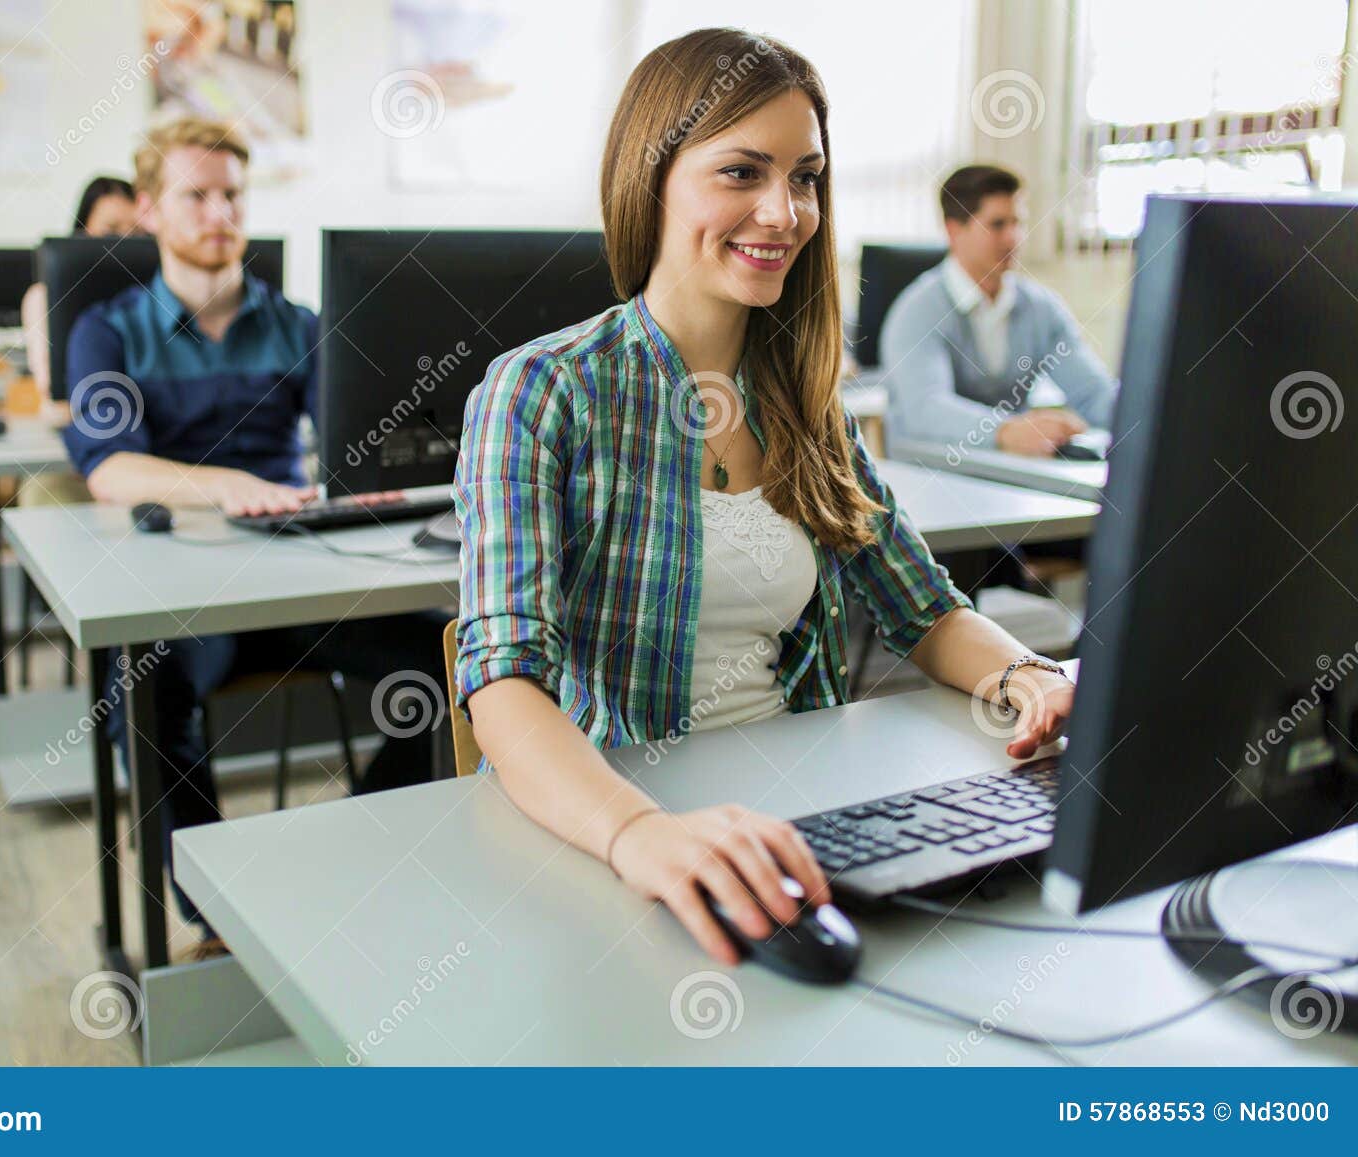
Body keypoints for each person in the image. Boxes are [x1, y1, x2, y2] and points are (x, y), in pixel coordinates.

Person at [453, 28, 1076, 966]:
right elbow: (502, 686)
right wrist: (639, 832)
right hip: (617, 825)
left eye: (806, 177)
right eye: (741, 172)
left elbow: (925, 609)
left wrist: (1026, 674)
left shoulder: (802, 398)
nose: (784, 212)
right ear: (651, 178)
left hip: (803, 814)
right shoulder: (541, 392)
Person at [61, 118, 447, 940]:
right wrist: (229, 488)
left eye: (231, 194)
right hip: (181, 579)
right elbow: (109, 470)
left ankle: (347, 859)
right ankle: (221, 913)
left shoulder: (299, 322)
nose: (218, 213)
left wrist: (366, 481)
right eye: (194, 196)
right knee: (144, 695)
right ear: (151, 212)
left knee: (457, 664)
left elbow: (351, 444)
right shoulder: (107, 329)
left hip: (299, 565)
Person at [880, 164, 1118, 456]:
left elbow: (1093, 393)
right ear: (955, 230)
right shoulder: (917, 310)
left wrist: (1142, 416)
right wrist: (1007, 431)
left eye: (1017, 223)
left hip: (1010, 472)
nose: (1012, 238)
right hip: (932, 469)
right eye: (997, 225)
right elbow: (925, 408)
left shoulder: (1041, 309)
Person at [21, 175, 141, 399]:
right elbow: (52, 391)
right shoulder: (43, 298)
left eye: (137, 233)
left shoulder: (157, 300)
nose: (125, 243)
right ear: (81, 233)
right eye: (111, 232)